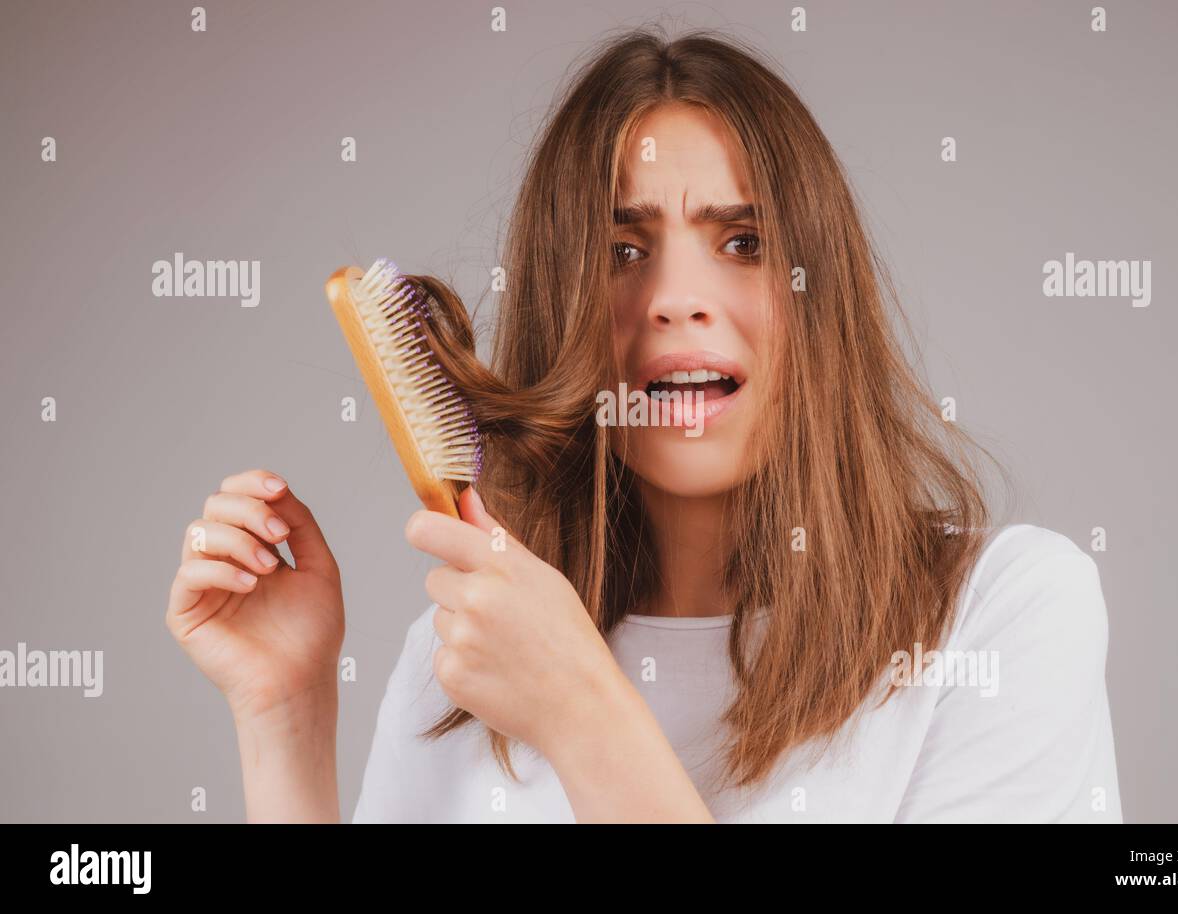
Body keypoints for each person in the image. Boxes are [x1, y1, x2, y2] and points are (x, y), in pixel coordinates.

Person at [165, 27, 1122, 823]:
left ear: (817, 296)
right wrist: (286, 718)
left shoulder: (1002, 617)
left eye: (742, 243)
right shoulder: (460, 656)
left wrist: (583, 711)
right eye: (622, 249)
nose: (673, 300)